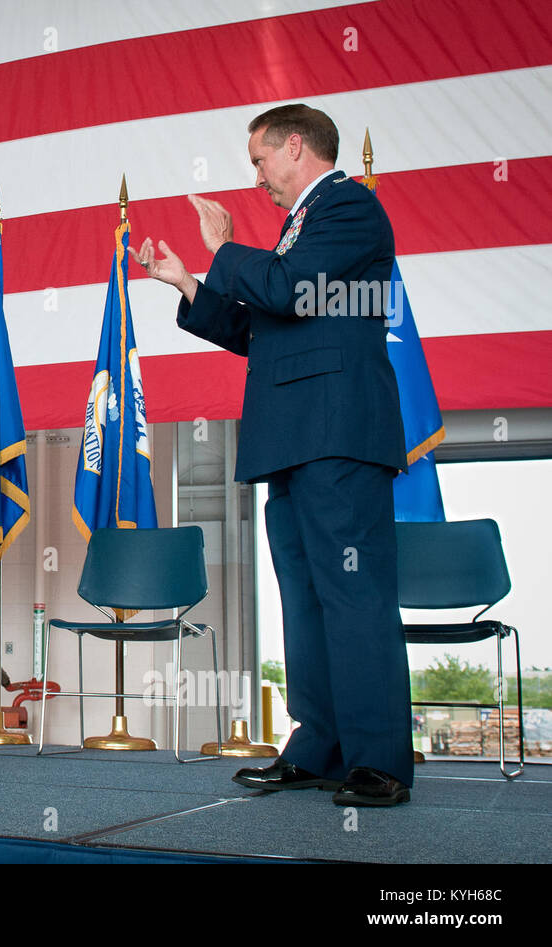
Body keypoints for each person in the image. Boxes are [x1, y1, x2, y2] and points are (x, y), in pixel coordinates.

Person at [135, 104, 413, 806]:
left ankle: (379, 759)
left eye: (260, 159)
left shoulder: (349, 207)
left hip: (339, 436)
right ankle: (319, 744)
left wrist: (223, 248)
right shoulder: (300, 229)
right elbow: (265, 330)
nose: (256, 175)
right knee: (306, 600)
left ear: (297, 146)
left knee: (354, 595)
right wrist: (189, 283)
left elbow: (288, 290)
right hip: (293, 439)